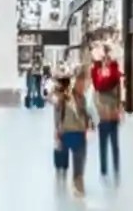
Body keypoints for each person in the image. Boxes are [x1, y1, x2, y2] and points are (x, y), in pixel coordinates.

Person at [52, 75, 92, 197]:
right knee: (64, 156)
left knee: (79, 160)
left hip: (79, 133)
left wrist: (87, 125)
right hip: (67, 132)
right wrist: (57, 130)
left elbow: (86, 114)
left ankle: (78, 182)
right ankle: (63, 171)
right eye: (80, 84)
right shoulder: (63, 98)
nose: (82, 87)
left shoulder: (83, 99)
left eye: (84, 85)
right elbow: (57, 114)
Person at [90, 46, 123, 177]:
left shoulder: (101, 75)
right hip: (111, 115)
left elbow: (98, 86)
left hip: (104, 115)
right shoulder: (114, 76)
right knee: (113, 144)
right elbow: (118, 95)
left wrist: (96, 65)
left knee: (104, 145)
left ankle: (105, 169)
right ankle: (114, 168)